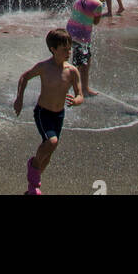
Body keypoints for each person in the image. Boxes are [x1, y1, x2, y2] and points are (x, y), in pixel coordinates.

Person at [13, 28, 83, 195]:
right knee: (51, 142)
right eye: (64, 49)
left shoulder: (72, 71)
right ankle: (33, 172)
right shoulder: (44, 67)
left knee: (49, 154)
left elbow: (80, 94)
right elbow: (24, 77)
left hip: (59, 115)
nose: (69, 52)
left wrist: (76, 100)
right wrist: (19, 99)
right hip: (43, 112)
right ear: (53, 49)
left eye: (69, 48)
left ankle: (33, 186)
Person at [64, 0, 104, 99]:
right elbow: (96, 22)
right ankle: (78, 90)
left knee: (78, 62)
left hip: (70, 32)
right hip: (81, 37)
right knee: (82, 64)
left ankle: (79, 88)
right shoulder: (98, 4)